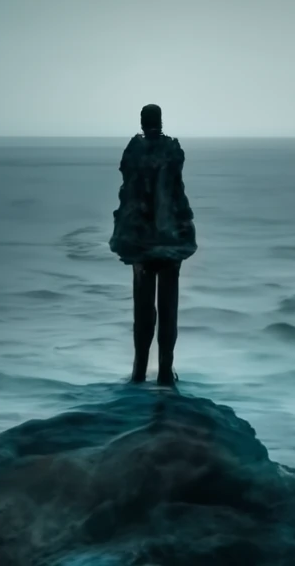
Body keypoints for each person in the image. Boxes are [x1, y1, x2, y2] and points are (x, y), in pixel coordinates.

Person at [109, 104, 196, 385]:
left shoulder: (134, 152)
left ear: (142, 122)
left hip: (141, 240)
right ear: (160, 121)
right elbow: (176, 190)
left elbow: (128, 189)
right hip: (171, 238)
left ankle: (138, 372)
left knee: (143, 309)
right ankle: (165, 373)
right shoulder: (173, 152)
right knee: (168, 308)